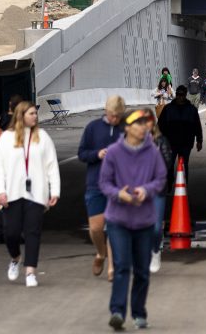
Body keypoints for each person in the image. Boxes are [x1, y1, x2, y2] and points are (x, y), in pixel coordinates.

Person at [99, 109, 166, 331]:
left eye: (144, 123)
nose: (142, 127)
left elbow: (161, 178)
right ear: (127, 127)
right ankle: (117, 311)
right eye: (137, 123)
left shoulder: (152, 152)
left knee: (142, 270)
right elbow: (105, 182)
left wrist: (147, 190)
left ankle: (139, 313)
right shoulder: (115, 152)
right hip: (119, 219)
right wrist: (120, 194)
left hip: (144, 220)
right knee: (121, 267)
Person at [0, 101, 61, 287]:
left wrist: (54, 190)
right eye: (31, 113)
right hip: (12, 193)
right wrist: (1, 191)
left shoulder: (43, 137)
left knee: (33, 232)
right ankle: (15, 258)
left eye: (35, 113)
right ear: (21, 115)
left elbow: (52, 166)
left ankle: (30, 271)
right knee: (11, 233)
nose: (35, 116)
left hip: (37, 193)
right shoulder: (7, 138)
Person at [78, 95, 126, 281]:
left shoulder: (126, 129)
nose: (115, 119)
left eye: (118, 116)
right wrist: (97, 154)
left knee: (114, 227)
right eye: (112, 115)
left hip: (119, 185)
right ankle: (101, 253)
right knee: (96, 228)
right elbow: (81, 153)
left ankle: (112, 268)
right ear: (106, 111)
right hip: (96, 183)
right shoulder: (93, 128)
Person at [0, 94, 23, 244]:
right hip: (16, 161)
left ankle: (0, 233)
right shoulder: (21, 120)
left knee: (4, 200)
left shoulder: (2, 118)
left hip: (4, 159)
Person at [157, 85, 203, 185]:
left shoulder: (192, 110)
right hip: (170, 142)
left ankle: (183, 185)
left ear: (185, 95)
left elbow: (197, 126)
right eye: (178, 94)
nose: (180, 97)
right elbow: (160, 125)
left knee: (183, 164)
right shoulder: (168, 109)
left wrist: (199, 140)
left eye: (182, 95)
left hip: (186, 142)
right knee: (169, 165)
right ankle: (169, 183)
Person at [144, 110, 171, 273]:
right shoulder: (132, 142)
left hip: (156, 189)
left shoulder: (161, 141)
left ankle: (155, 251)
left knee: (155, 227)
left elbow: (167, 163)